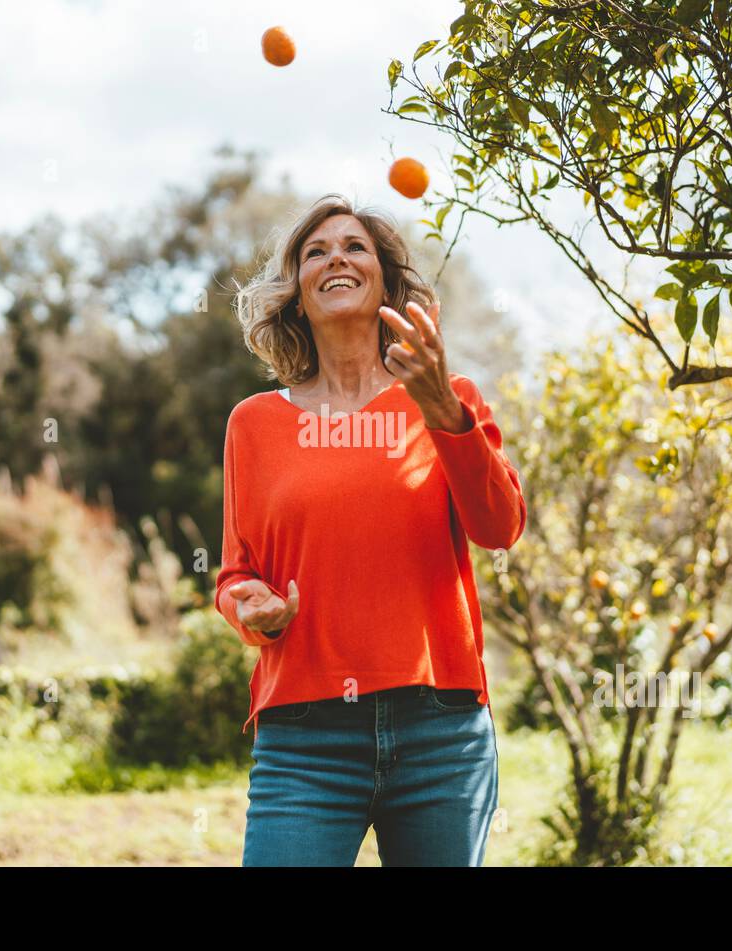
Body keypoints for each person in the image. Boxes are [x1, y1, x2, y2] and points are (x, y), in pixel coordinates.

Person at [218, 193, 526, 866]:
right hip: (304, 739)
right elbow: (235, 574)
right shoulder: (253, 423)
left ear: (384, 277)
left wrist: (443, 408)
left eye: (355, 246)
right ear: (296, 291)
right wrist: (252, 610)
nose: (336, 258)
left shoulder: (450, 396)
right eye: (316, 251)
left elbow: (500, 527)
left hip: (439, 734)